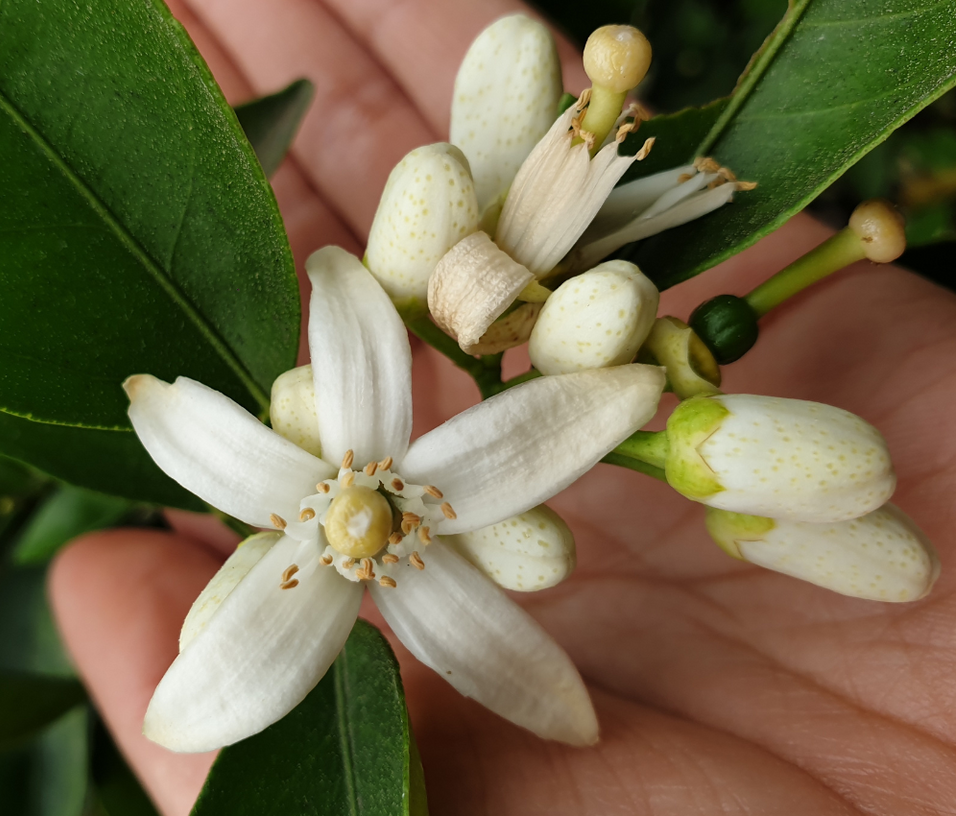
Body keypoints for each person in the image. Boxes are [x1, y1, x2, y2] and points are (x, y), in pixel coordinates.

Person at [49, 0, 956, 812]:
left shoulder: (403, 473)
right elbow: (201, 420)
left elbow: (539, 417)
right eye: (369, 520)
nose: (360, 522)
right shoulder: (370, 511)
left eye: (354, 515)